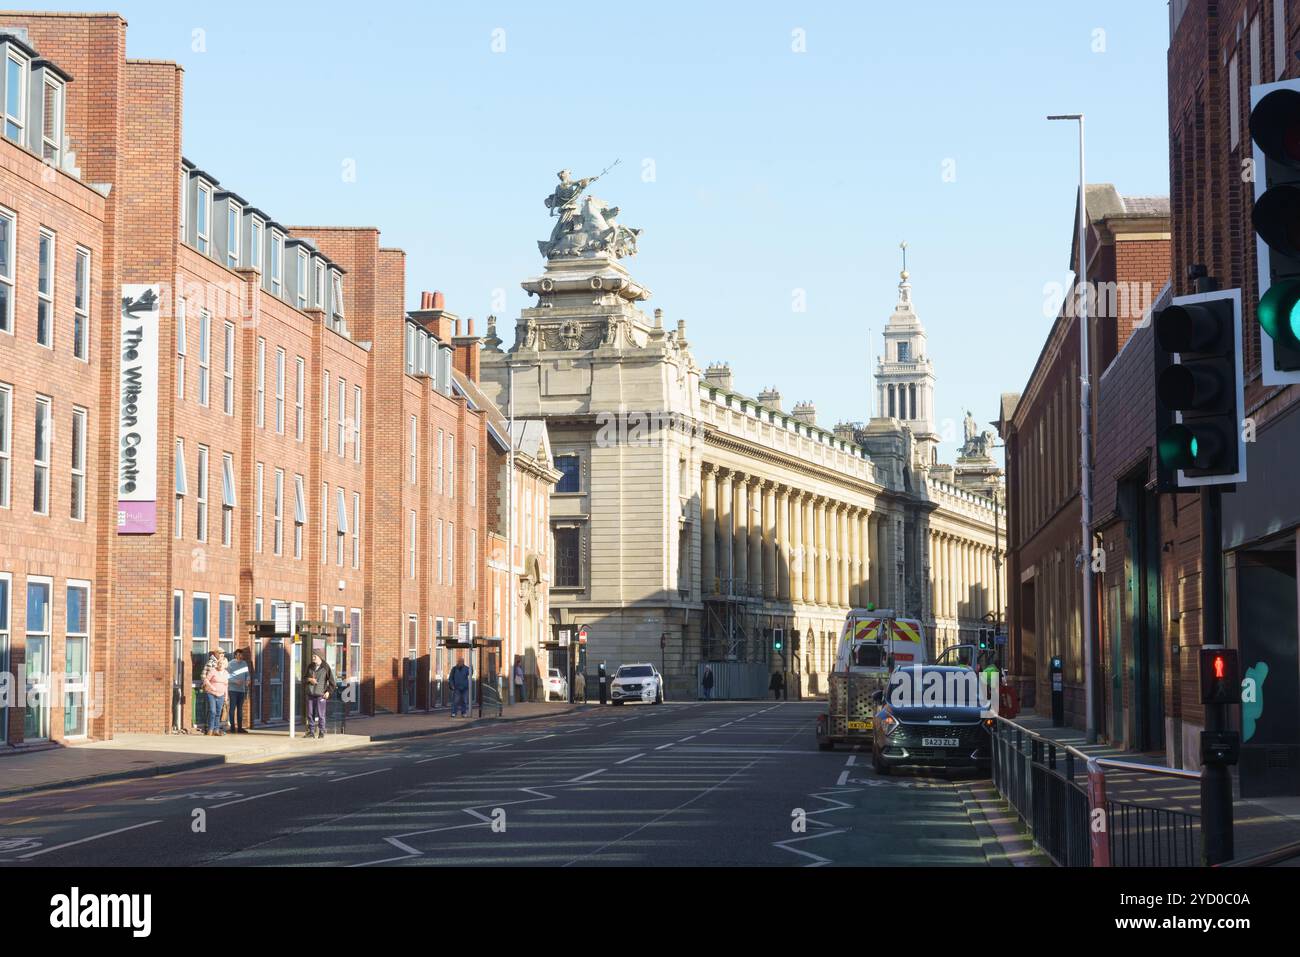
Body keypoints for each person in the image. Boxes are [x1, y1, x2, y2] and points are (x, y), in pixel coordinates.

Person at [305, 650, 336, 739]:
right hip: (310, 693)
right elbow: (304, 678)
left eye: (314, 656)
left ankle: (321, 731)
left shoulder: (325, 667)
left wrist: (328, 692)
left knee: (321, 714)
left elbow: (332, 682)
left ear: (319, 657)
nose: (313, 658)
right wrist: (310, 680)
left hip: (320, 695)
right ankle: (311, 732)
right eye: (313, 656)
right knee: (310, 714)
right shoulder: (310, 666)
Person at [201, 651, 230, 736]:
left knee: (218, 713)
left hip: (221, 695)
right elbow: (206, 679)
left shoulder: (226, 673)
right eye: (219, 663)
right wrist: (211, 686)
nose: (221, 665)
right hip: (211, 693)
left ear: (225, 665)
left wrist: (226, 697)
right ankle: (210, 729)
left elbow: (226, 685)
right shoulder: (213, 671)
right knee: (212, 711)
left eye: (222, 664)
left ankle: (216, 730)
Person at [227, 649, 251, 733]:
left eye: (242, 655)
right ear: (235, 655)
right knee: (232, 708)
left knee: (240, 709)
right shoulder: (230, 664)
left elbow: (247, 674)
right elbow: (227, 676)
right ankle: (232, 727)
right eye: (239, 655)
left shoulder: (244, 663)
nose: (241, 656)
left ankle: (240, 728)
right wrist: (235, 681)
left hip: (242, 690)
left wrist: (248, 680)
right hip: (233, 689)